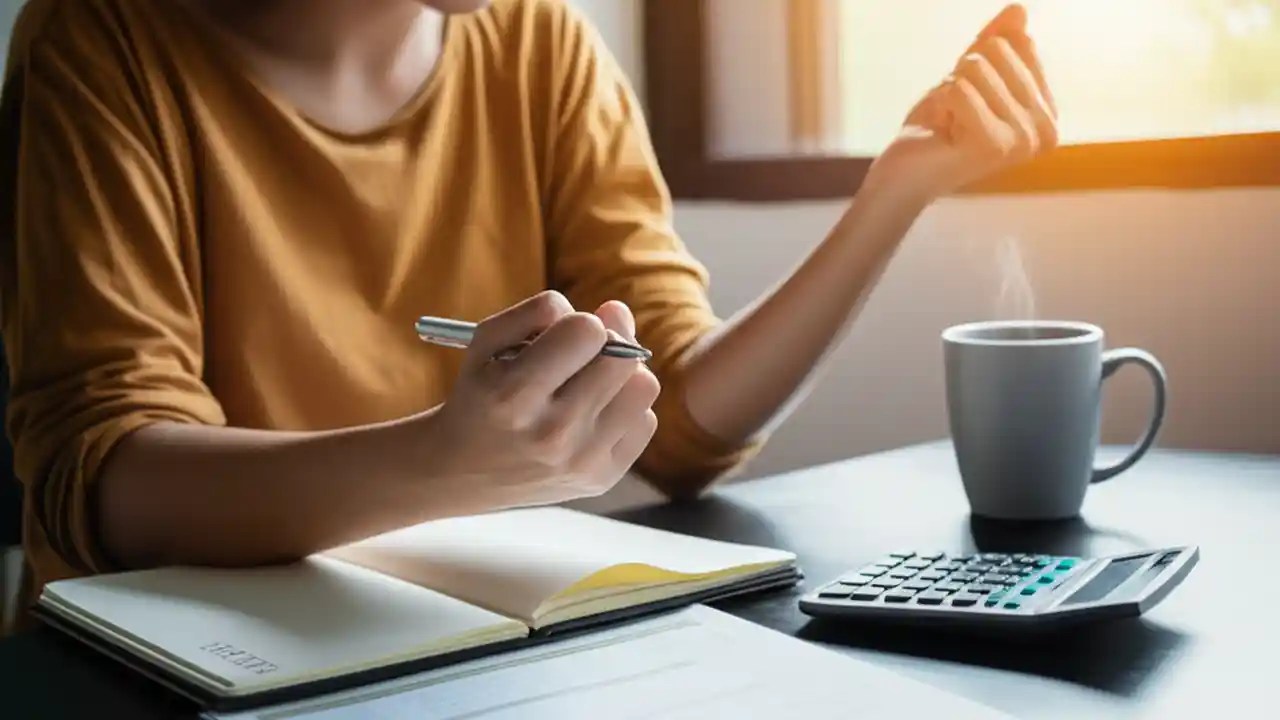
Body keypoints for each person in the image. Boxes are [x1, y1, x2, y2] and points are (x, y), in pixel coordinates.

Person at [0, 0, 1057, 613]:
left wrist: (891, 197)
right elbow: (101, 484)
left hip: (435, 644)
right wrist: (439, 462)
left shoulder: (541, 45)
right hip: (171, 656)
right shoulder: (100, 43)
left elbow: (679, 422)